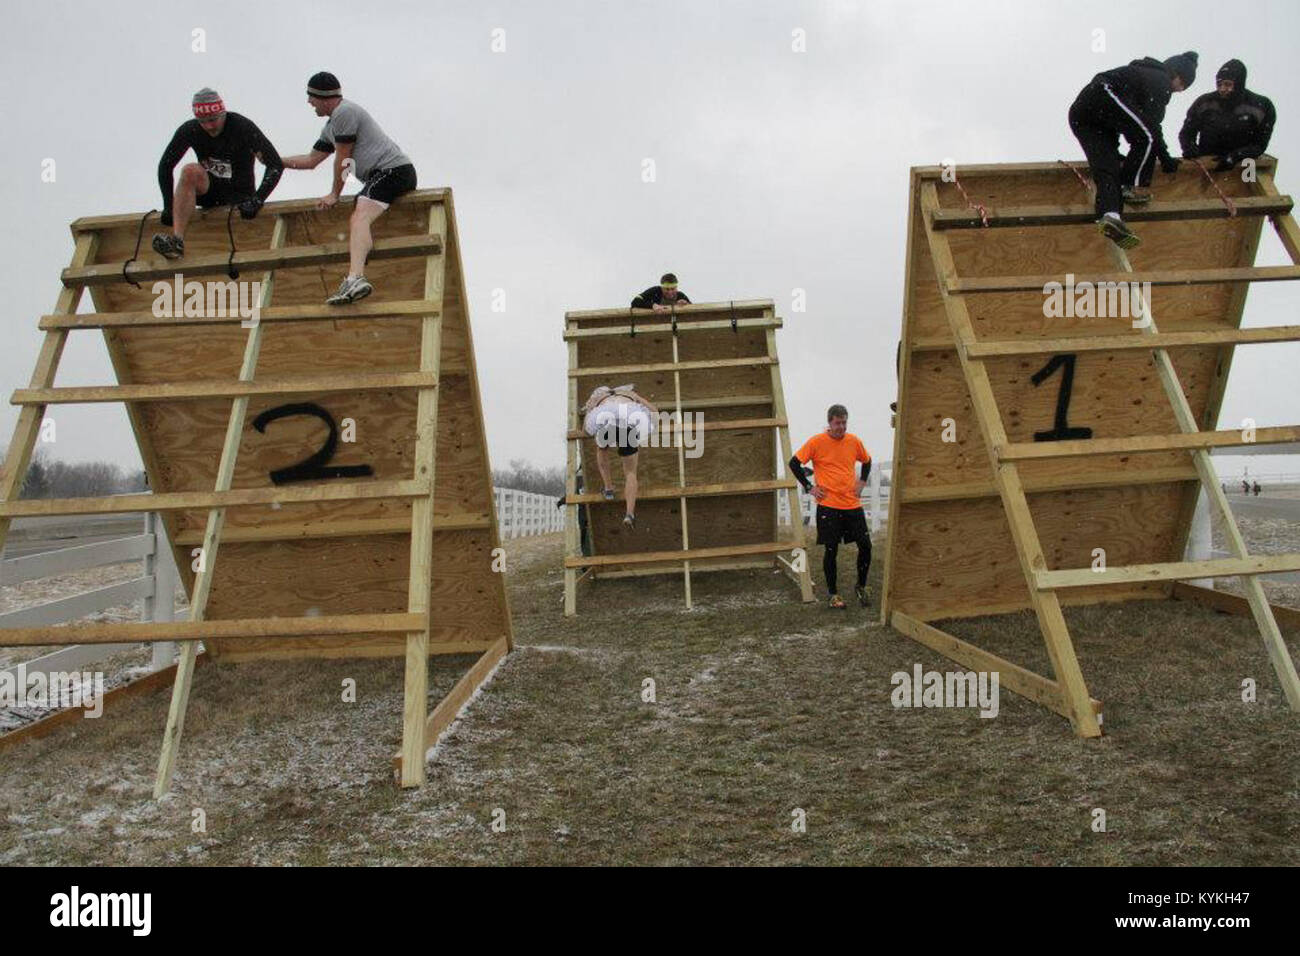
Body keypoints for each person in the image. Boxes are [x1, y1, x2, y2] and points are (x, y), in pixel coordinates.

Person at [282, 72, 418, 304]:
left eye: (310, 97)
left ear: (323, 97)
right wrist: (275, 160)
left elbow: (344, 160)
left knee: (360, 216)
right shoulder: (330, 127)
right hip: (383, 175)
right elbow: (311, 160)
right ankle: (355, 277)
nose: (308, 102)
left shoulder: (345, 112)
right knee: (359, 212)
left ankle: (355, 277)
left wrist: (335, 194)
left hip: (394, 171)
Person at [1068, 52, 1198, 249]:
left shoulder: (1142, 74)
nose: (1179, 90)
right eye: (1183, 85)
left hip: (1083, 115)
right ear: (1177, 75)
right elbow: (1150, 128)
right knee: (1147, 137)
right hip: (1104, 94)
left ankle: (1110, 217)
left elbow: (1138, 125)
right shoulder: (1159, 80)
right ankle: (1130, 186)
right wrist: (1165, 159)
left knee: (1108, 167)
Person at [152, 88, 283, 260]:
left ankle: (250, 200)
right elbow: (165, 166)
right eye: (203, 122)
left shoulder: (241, 126)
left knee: (197, 171)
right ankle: (177, 241)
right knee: (189, 171)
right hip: (210, 193)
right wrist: (168, 205)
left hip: (240, 194)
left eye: (213, 120)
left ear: (223, 113)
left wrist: (258, 199)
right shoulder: (190, 130)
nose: (209, 126)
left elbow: (275, 164)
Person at [789, 404, 872, 609]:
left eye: (844, 422)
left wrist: (862, 482)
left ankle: (861, 586)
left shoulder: (854, 441)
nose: (841, 427)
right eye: (837, 423)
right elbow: (794, 463)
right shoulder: (817, 442)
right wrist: (809, 487)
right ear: (830, 422)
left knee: (866, 546)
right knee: (831, 549)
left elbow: (867, 461)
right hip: (828, 506)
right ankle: (833, 594)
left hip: (852, 504)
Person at [581, 384, 659, 528]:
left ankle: (608, 488)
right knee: (630, 472)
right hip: (629, 418)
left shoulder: (599, 398)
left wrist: (589, 410)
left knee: (602, 448)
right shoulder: (628, 395)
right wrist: (638, 398)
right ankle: (629, 513)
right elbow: (655, 412)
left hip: (606, 416)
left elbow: (586, 430)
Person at [1180, 60, 1276, 171]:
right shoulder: (1204, 103)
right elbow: (1186, 132)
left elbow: (1260, 144)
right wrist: (1189, 147)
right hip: (1207, 164)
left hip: (1244, 169)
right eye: (1219, 84)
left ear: (1238, 84)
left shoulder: (1262, 106)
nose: (1222, 89)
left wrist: (1235, 156)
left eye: (1227, 84)